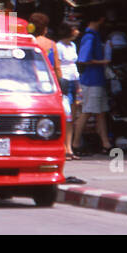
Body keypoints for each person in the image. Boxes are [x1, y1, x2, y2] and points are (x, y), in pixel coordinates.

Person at [73, 11, 113, 154]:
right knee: (88, 111)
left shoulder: (93, 36)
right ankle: (76, 144)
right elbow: (84, 59)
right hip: (91, 81)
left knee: (100, 112)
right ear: (101, 19)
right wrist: (104, 61)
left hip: (97, 79)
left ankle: (105, 144)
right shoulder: (90, 37)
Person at [55, 25, 80, 158]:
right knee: (66, 114)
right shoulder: (58, 46)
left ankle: (69, 148)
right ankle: (63, 147)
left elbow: (74, 64)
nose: (77, 31)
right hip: (64, 81)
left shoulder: (73, 45)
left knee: (72, 117)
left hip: (74, 80)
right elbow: (57, 65)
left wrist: (78, 84)